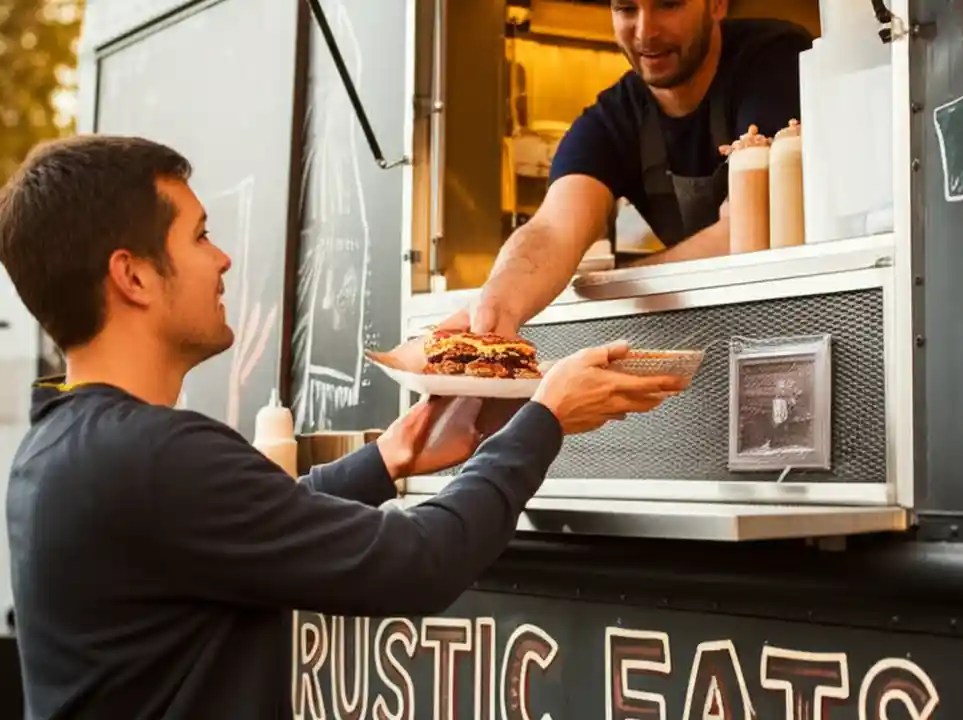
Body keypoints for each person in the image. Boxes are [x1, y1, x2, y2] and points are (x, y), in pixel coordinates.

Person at [0, 135, 686, 719]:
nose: (223, 258)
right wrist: (545, 417)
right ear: (133, 277)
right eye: (200, 235)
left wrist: (388, 459)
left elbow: (250, 522)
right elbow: (419, 562)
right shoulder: (152, 455)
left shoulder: (59, 445)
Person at [446, 0, 813, 338]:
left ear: (716, 4)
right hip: (711, 333)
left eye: (668, 4)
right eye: (626, 8)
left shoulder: (775, 60)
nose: (645, 32)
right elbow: (553, 230)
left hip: (800, 322)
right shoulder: (612, 118)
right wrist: (498, 301)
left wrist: (624, 280)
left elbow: (749, 233)